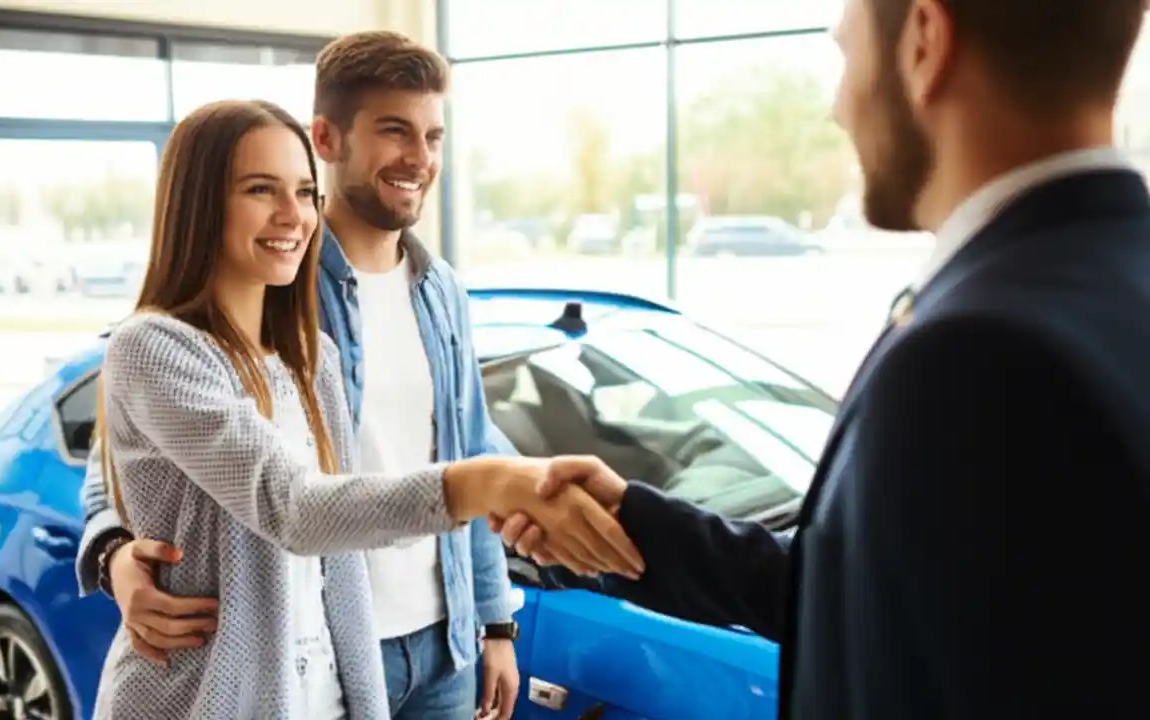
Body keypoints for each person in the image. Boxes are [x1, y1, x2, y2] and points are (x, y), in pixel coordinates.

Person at [493, 0, 1150, 717]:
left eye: (846, 54)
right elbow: (880, 594)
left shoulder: (975, 354)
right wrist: (641, 526)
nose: (839, 108)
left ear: (925, 41)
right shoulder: (1107, 280)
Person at [85, 98, 643, 720]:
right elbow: (290, 505)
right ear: (334, 138)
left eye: (302, 193)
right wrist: (112, 551)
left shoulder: (317, 355)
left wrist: (495, 618)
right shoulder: (155, 347)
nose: (292, 215)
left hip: (386, 662)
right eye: (261, 189)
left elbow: (459, 452)